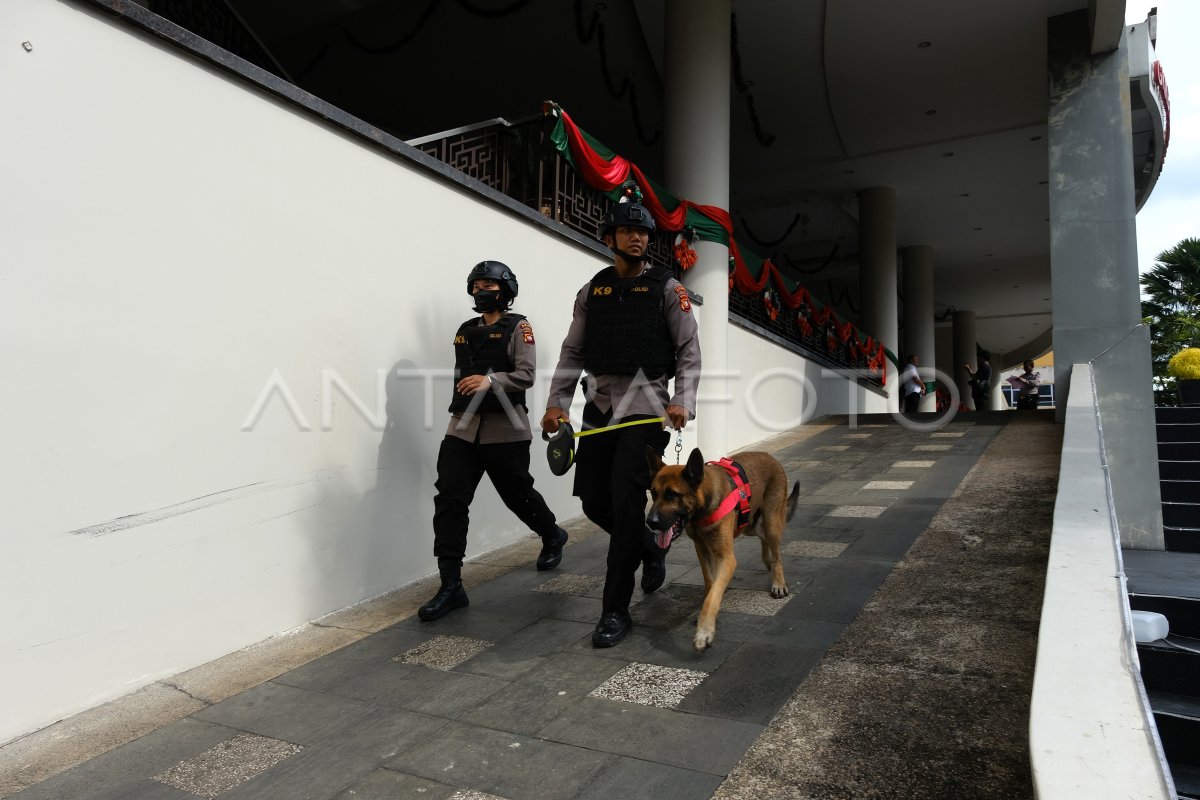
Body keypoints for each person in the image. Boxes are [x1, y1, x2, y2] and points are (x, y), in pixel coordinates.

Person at [541, 197, 701, 648]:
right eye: (628, 231)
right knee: (594, 502)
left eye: (645, 232)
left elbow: (689, 350)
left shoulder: (668, 289)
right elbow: (572, 352)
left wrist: (683, 400)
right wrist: (556, 403)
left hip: (646, 407)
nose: (639, 238)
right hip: (599, 409)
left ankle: (614, 610)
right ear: (608, 238)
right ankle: (650, 547)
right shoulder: (592, 291)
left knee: (628, 506)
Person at [419, 261, 569, 622]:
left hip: (506, 427)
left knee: (517, 494)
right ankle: (451, 584)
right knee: (450, 499)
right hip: (462, 426)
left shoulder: (519, 326)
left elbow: (527, 375)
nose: (480, 289)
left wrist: (490, 381)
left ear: (505, 289)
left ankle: (551, 534)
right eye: (476, 284)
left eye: (489, 283)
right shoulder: (464, 330)